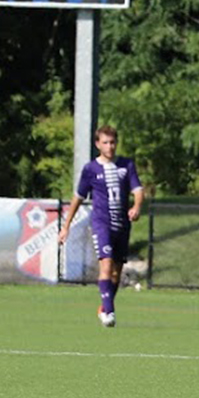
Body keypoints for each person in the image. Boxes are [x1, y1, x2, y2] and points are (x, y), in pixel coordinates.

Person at [57, 125, 146, 327]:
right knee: (105, 265)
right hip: (101, 223)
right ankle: (110, 312)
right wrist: (66, 226)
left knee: (116, 271)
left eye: (112, 142)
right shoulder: (90, 169)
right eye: (105, 142)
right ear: (98, 144)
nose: (110, 146)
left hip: (122, 225)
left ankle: (105, 305)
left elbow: (138, 191)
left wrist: (136, 207)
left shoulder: (127, 165)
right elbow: (78, 198)